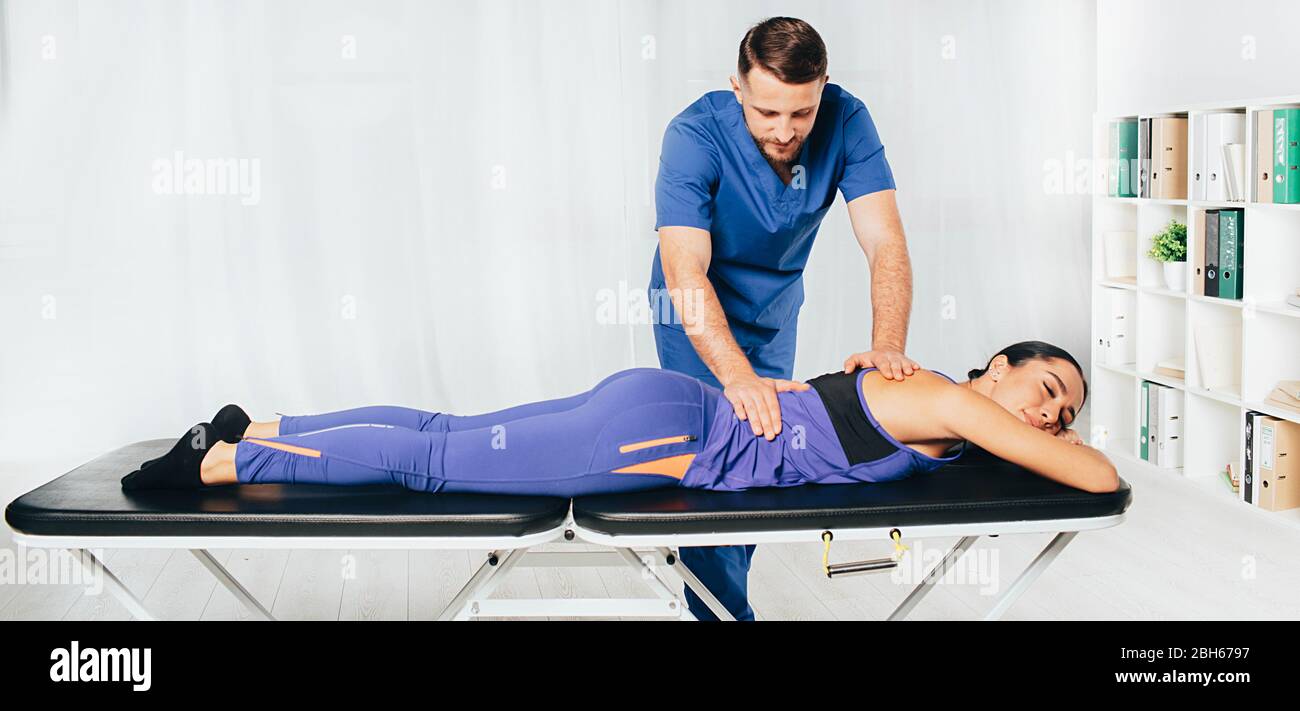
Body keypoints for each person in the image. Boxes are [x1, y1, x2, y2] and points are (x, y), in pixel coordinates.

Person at [121, 342, 1119, 507]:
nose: (1049, 412)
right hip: (660, 442)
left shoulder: (923, 385)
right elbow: (1099, 478)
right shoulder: (947, 399)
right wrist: (1069, 447)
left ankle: (264, 419)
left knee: (445, 425)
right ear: (999, 365)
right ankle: (222, 461)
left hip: (662, 403)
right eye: (1046, 388)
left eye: (1062, 411)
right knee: (431, 462)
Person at [649, 17, 916, 619]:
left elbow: (885, 243)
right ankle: (720, 612)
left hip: (773, 309)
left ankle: (714, 600)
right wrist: (736, 377)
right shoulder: (694, 134)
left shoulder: (847, 120)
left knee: (764, 455)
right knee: (720, 456)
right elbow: (685, 268)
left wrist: (888, 346)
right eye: (767, 113)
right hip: (694, 307)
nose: (785, 131)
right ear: (737, 87)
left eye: (802, 113)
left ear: (823, 88)